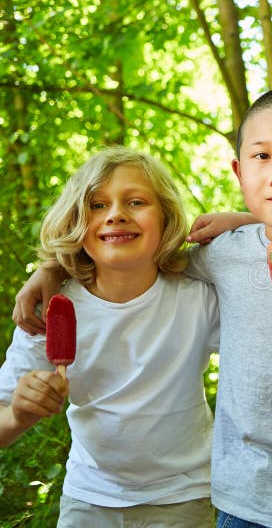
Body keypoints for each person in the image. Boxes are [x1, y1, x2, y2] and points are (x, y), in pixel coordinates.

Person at [14, 88, 272, 527]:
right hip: (237, 501)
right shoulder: (223, 255)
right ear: (239, 172)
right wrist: (52, 269)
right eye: (262, 157)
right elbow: (140, 258)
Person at [0, 148, 219, 526]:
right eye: (97, 205)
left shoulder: (199, 296)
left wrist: (243, 220)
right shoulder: (53, 309)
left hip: (184, 498)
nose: (116, 214)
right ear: (76, 222)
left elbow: (270, 257)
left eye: (136, 201)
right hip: (89, 499)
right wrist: (19, 414)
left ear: (166, 216)